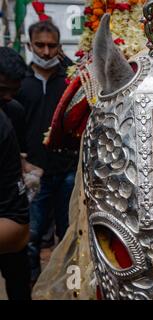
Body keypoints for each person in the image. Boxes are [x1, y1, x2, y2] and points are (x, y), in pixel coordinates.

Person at [15, 20, 77, 285]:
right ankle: (32, 284)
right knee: (32, 235)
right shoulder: (19, 81)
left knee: (69, 233)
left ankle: (66, 284)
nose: (46, 51)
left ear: (59, 48)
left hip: (67, 170)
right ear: (30, 46)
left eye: (52, 46)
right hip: (34, 174)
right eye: (40, 45)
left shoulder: (70, 80)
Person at [0, 47, 31, 300]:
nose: (8, 96)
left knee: (18, 281)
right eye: (1, 89)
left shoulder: (14, 111)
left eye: (14, 90)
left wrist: (25, 169)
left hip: (10, 206)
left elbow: (18, 154)